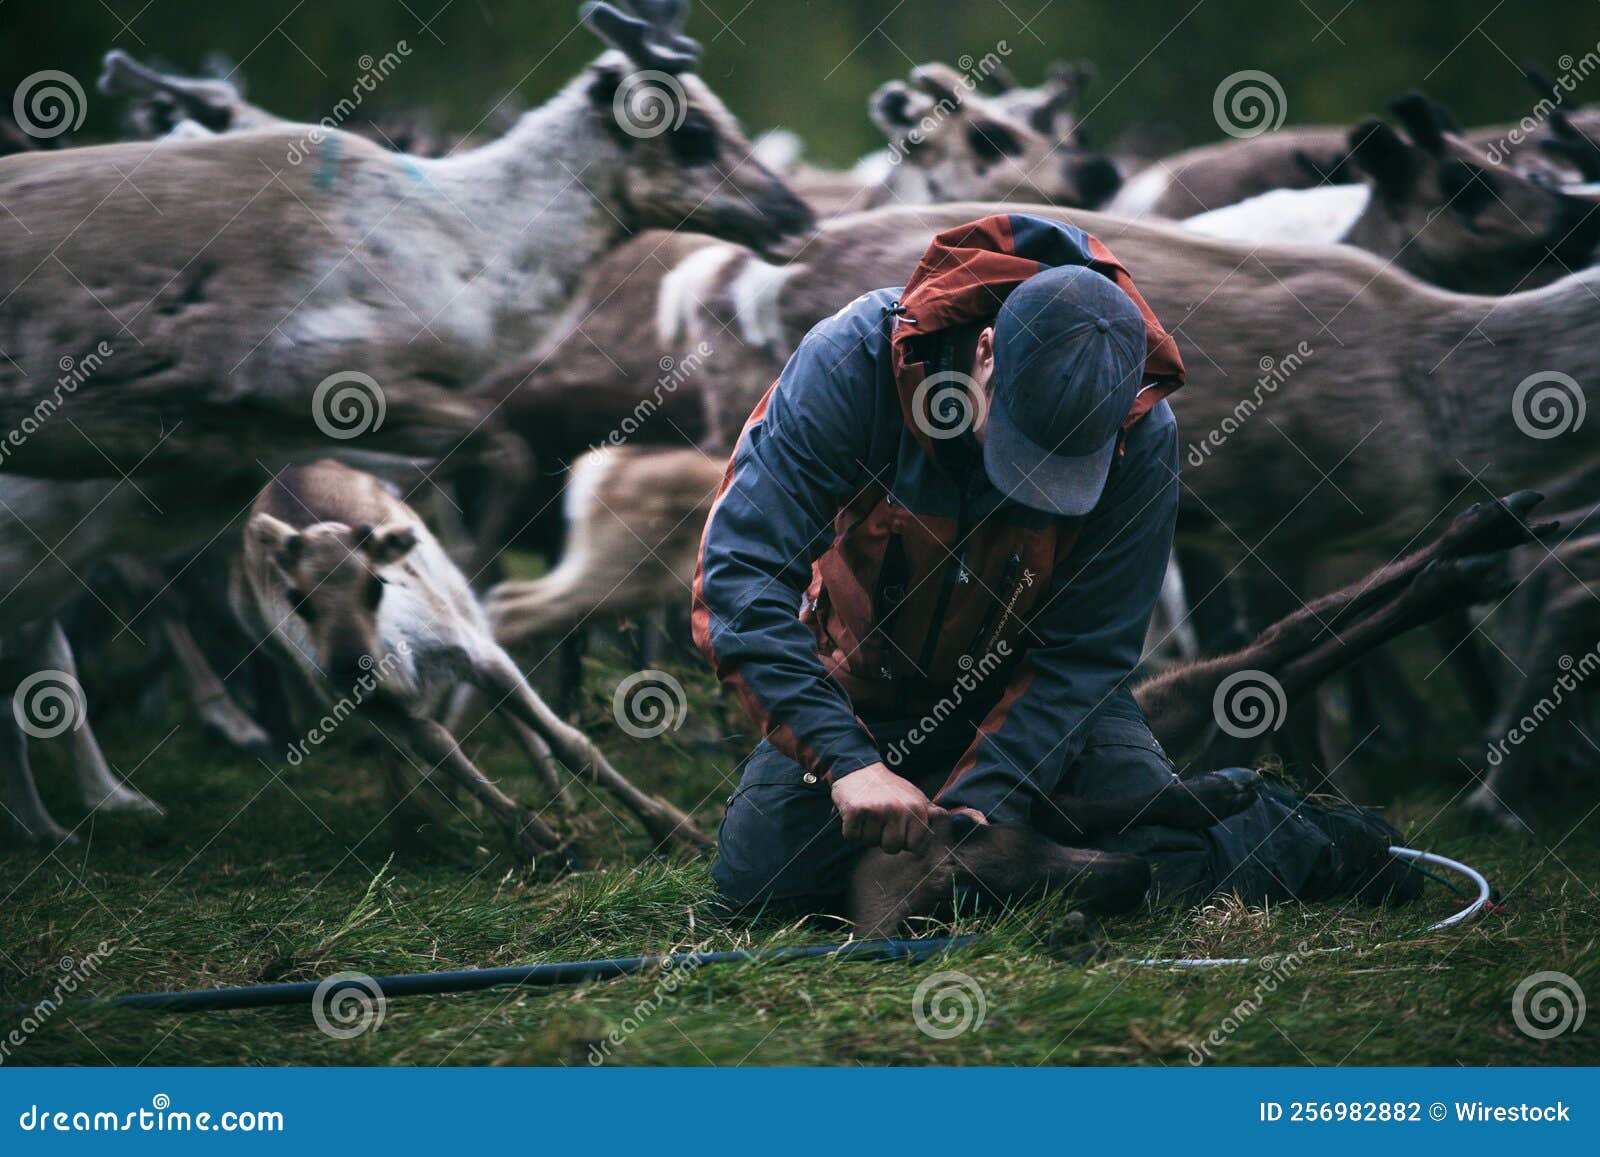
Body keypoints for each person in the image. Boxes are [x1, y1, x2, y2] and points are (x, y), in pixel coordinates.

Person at [692, 214, 1414, 917]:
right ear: (985, 351)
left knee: (1176, 866)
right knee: (760, 888)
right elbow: (739, 577)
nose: (1030, 488)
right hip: (864, 695)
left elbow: (1087, 651)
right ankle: (1049, 845)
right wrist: (846, 760)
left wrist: (987, 798)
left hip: (1038, 705)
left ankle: (1308, 838)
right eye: (1017, 444)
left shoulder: (1142, 431)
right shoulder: (850, 365)